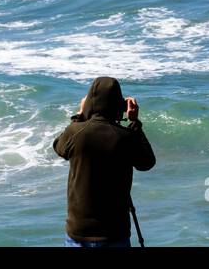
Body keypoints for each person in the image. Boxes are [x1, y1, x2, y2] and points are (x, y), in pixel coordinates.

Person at [52, 76, 156, 248]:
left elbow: (59, 147)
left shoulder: (76, 132)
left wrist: (80, 115)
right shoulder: (125, 137)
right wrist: (135, 123)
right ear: (118, 105)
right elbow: (147, 163)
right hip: (114, 232)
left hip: (78, 232)